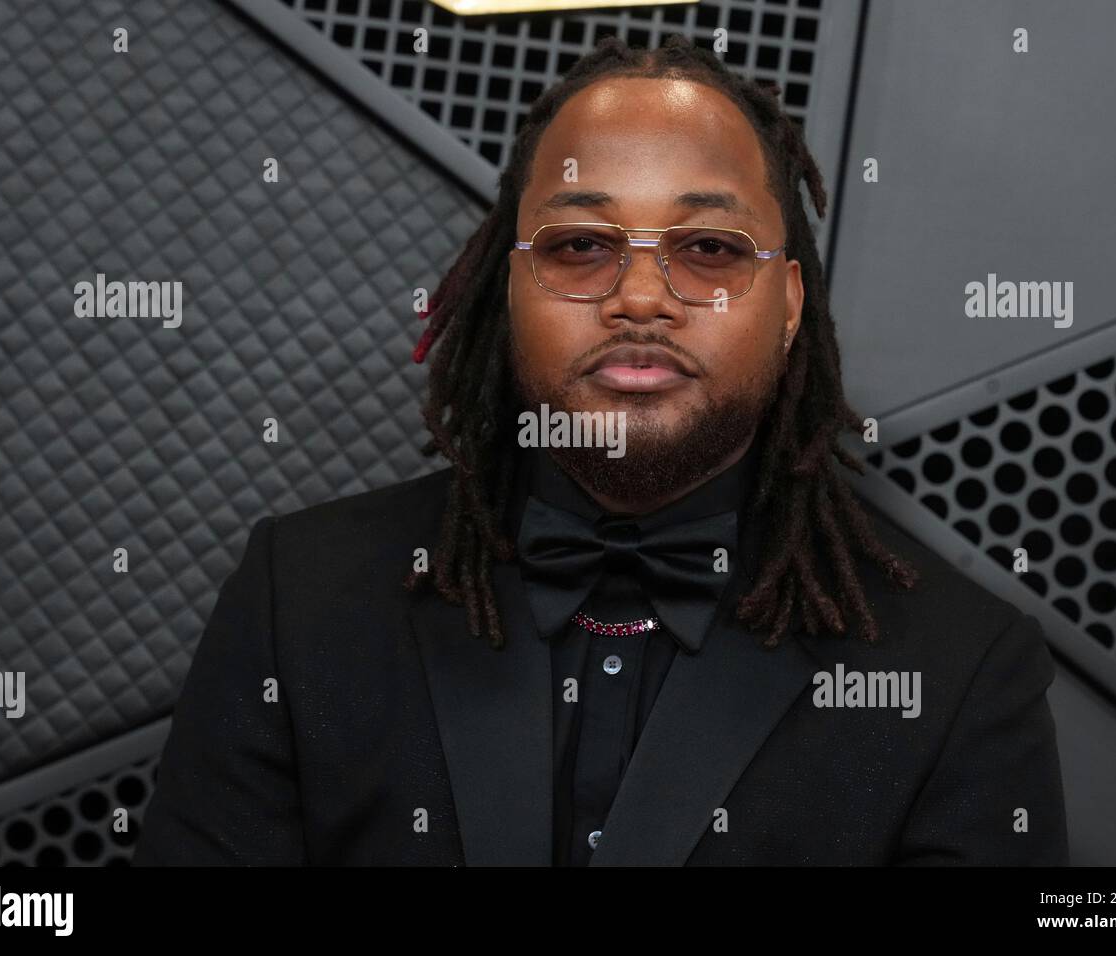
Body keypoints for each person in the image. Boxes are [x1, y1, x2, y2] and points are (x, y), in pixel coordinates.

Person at [134, 34, 1068, 866]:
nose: (640, 298)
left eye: (708, 248)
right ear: (508, 292)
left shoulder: (962, 669)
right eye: (581, 245)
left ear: (788, 308)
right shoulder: (296, 599)